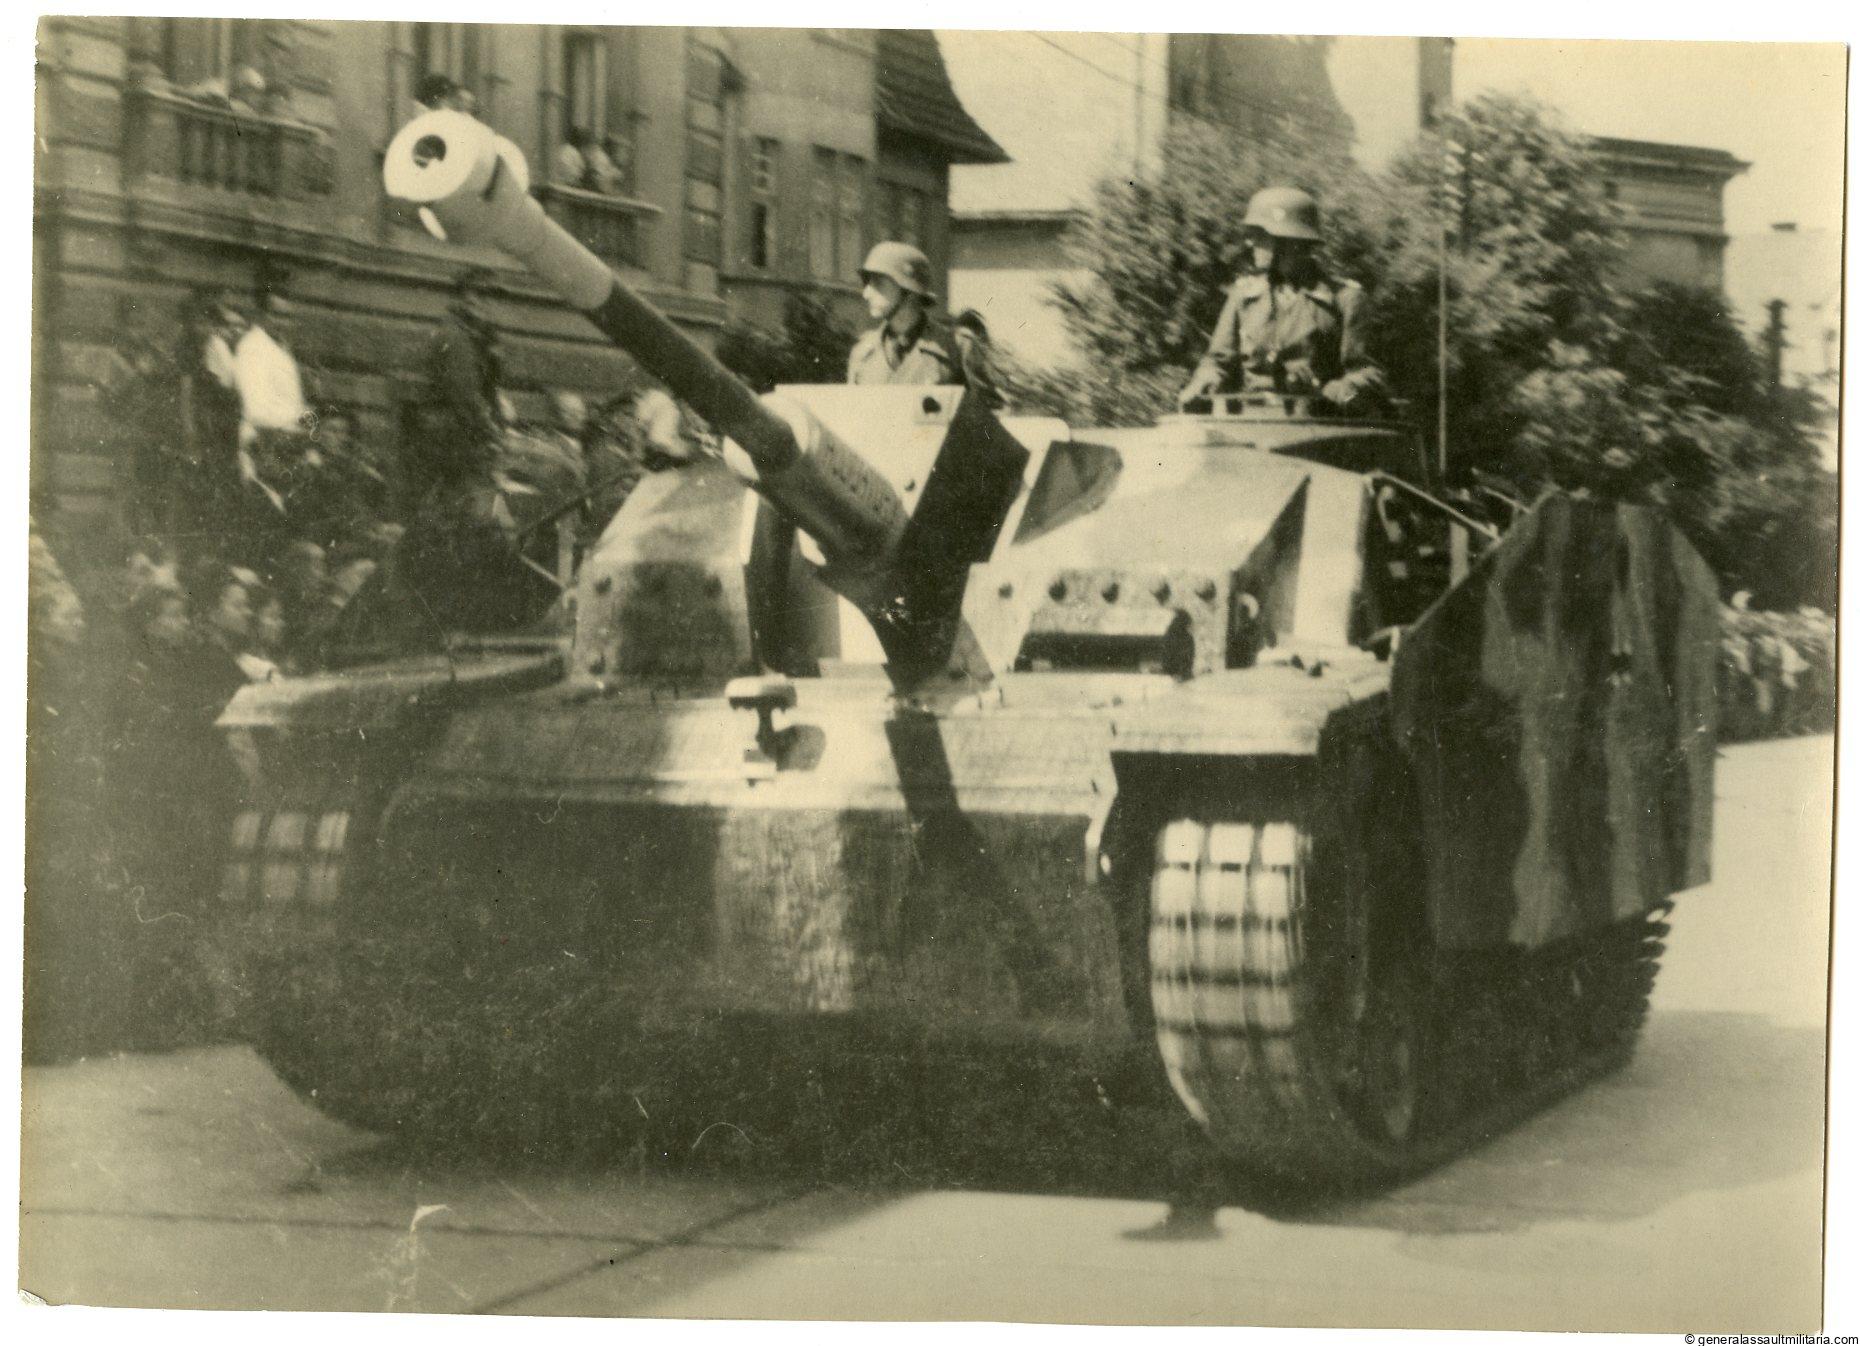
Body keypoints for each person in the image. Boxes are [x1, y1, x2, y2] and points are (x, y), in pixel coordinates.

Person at [1179, 186, 1385, 413]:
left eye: (1259, 235)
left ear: (1289, 241)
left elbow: (1367, 374)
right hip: (1249, 424)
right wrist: (1202, 382)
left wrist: (1330, 390)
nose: (1250, 243)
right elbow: (1218, 361)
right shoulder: (1244, 296)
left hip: (1319, 428)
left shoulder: (1345, 299)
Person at [847, 242, 961, 386]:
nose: (866, 294)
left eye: (878, 283)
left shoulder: (954, 346)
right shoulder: (862, 353)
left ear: (908, 291)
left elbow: (982, 406)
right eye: (867, 283)